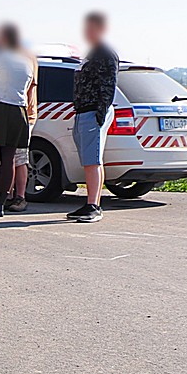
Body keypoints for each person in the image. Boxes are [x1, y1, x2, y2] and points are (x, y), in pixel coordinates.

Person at [67, 11, 119, 223]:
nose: (87, 32)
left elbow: (108, 86)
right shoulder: (92, 53)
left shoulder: (105, 53)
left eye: (91, 28)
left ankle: (94, 206)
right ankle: (90, 202)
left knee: (93, 161)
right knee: (89, 161)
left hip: (93, 112)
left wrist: (99, 113)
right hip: (83, 111)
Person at [0, 24, 34, 218]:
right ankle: (0, 202)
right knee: (9, 157)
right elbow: (27, 87)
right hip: (19, 110)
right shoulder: (26, 62)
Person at [8, 47, 40, 212]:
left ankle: (20, 196)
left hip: (24, 114)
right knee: (7, 156)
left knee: (19, 157)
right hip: (9, 112)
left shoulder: (26, 55)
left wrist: (23, 114)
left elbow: (29, 87)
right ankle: (8, 194)